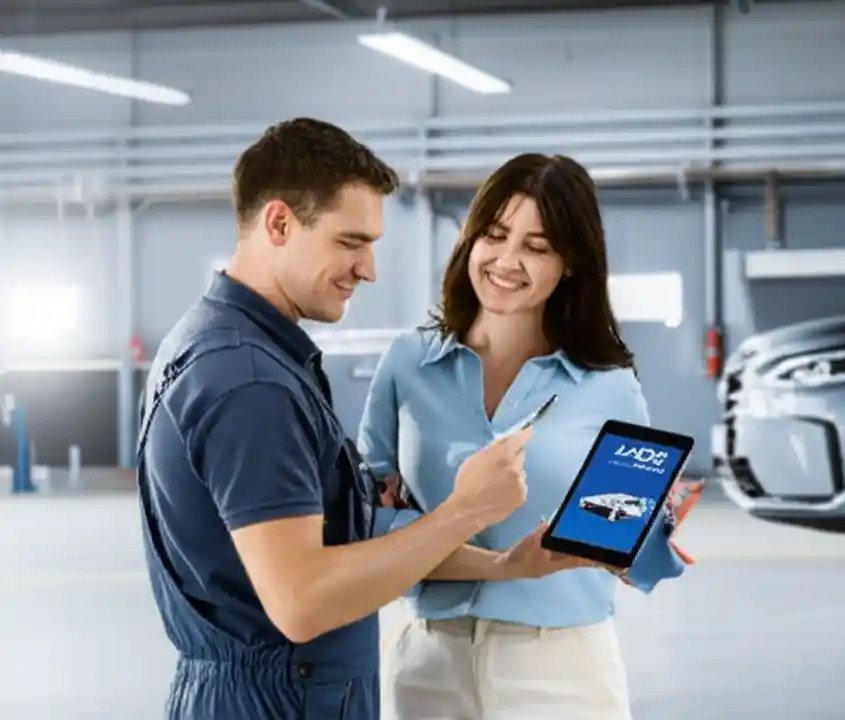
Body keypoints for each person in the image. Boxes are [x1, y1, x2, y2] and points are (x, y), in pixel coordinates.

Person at [136, 119, 574, 720]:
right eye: (350, 242)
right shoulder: (250, 382)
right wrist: (466, 510)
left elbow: (345, 537)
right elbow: (302, 600)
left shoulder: (227, 343)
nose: (368, 268)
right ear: (280, 223)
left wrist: (500, 564)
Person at [358, 153, 688, 720]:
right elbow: (364, 519)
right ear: (471, 241)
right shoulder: (407, 363)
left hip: (561, 667)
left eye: (536, 247)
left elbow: (643, 560)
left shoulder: (610, 387)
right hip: (429, 662)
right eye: (496, 234)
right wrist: (403, 527)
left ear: (571, 264)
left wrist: (652, 531)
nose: (507, 261)